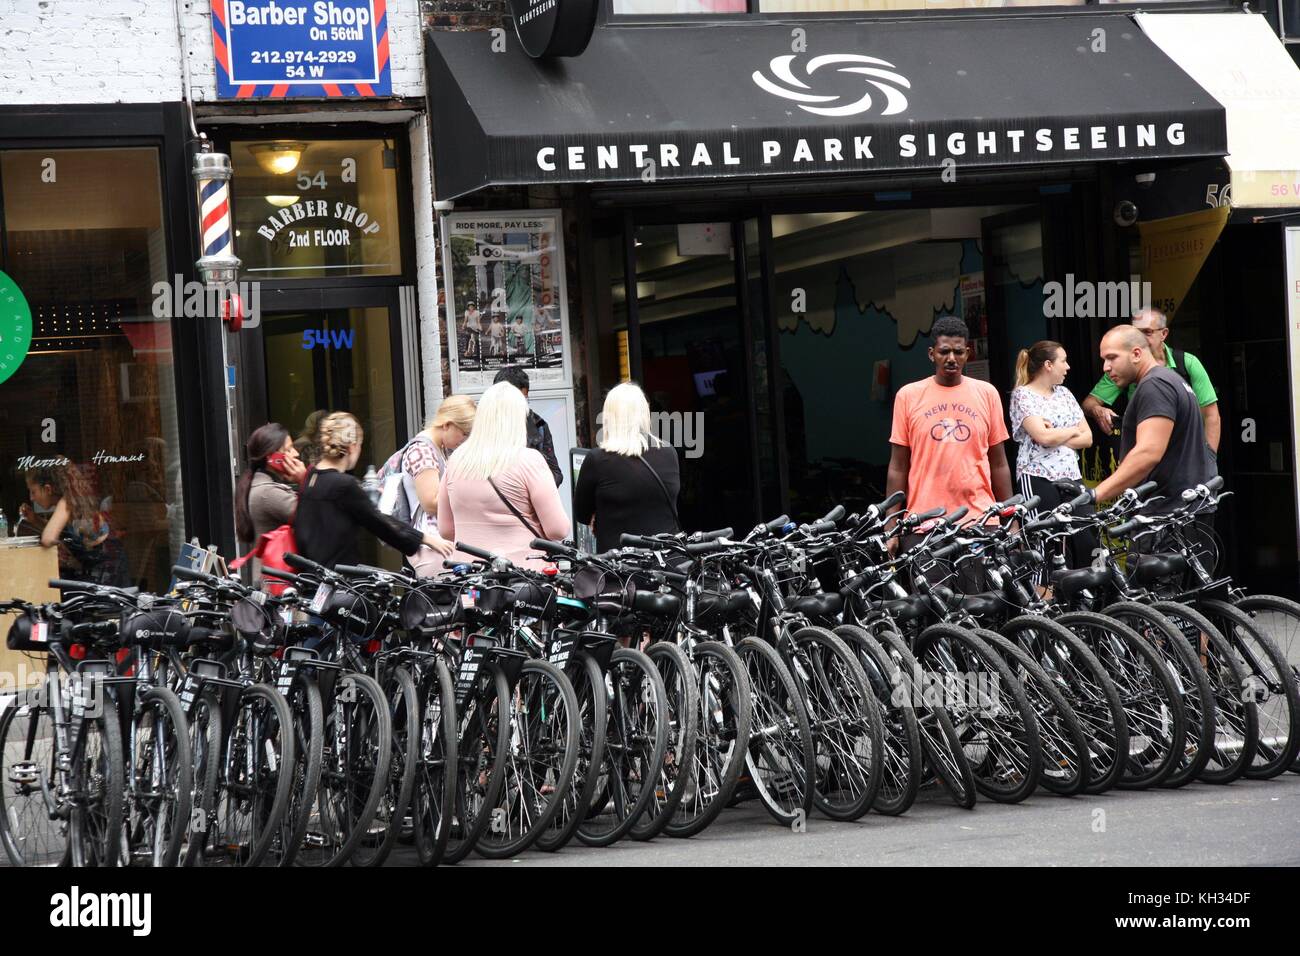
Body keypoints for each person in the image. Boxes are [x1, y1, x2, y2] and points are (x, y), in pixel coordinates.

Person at [885, 315, 1013, 585]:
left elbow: (999, 463)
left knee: (984, 608)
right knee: (936, 616)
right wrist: (891, 525)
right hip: (923, 525)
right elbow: (898, 466)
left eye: (958, 351)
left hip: (980, 521)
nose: (951, 358)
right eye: (944, 351)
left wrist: (1010, 518)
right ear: (932, 354)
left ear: (968, 353)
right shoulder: (908, 396)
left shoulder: (987, 393)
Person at [293, 412, 452, 570]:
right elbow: (379, 523)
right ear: (353, 446)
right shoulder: (344, 485)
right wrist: (425, 539)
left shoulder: (311, 478)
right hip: (338, 579)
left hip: (310, 578)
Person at [1087, 325, 1217, 518]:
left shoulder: (1154, 386)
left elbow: (1147, 453)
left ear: (1136, 354)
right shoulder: (1170, 379)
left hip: (1166, 515)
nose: (1106, 367)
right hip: (1182, 510)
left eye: (1112, 357)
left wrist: (1095, 494)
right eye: (1104, 359)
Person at [437, 382, 571, 566]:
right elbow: (558, 530)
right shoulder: (529, 460)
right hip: (524, 579)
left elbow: (445, 530)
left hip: (470, 580)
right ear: (519, 419)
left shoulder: (456, 460)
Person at [1082, 307, 1221, 456]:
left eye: (1147, 332)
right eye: (1136, 333)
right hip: (1147, 448)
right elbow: (1088, 404)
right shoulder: (1125, 368)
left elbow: (1211, 415)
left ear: (1164, 334)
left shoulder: (1188, 363)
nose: (1140, 339)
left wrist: (1209, 458)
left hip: (1185, 452)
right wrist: (1098, 410)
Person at [1008, 340, 1098, 571]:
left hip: (1070, 475)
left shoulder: (1065, 394)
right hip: (1038, 476)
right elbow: (1043, 438)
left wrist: (1054, 432)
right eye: (1063, 361)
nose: (1067, 367)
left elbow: (1087, 438)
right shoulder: (1023, 395)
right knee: (1048, 544)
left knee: (1087, 534)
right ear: (1048, 365)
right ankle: (1047, 601)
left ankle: (1091, 598)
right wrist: (1070, 431)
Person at [575, 382, 681, 553]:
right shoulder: (669, 453)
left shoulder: (597, 459)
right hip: (667, 565)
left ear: (609, 417)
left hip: (620, 569)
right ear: (644, 413)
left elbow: (582, 514)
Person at [397, 394, 475, 576]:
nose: (464, 440)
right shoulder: (423, 450)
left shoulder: (437, 448)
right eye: (464, 433)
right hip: (433, 548)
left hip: (438, 545)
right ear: (447, 424)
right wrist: (468, 500)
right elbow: (431, 502)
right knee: (440, 601)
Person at [21, 459, 128, 586]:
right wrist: (35, 519)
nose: (31, 498)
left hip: (106, 577)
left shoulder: (66, 502)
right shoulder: (74, 499)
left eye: (33, 491)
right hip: (106, 570)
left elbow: (48, 539)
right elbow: (59, 532)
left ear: (48, 489)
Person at [235, 423, 307, 585]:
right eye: (288, 449)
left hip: (272, 580)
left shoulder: (258, 485)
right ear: (272, 457)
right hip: (279, 587)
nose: (295, 454)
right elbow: (313, 515)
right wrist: (304, 480)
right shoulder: (269, 493)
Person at [494, 364, 564, 486]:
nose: (522, 406)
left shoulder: (538, 425)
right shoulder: (481, 427)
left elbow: (556, 473)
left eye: (525, 400)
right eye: (517, 400)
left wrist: (533, 488)